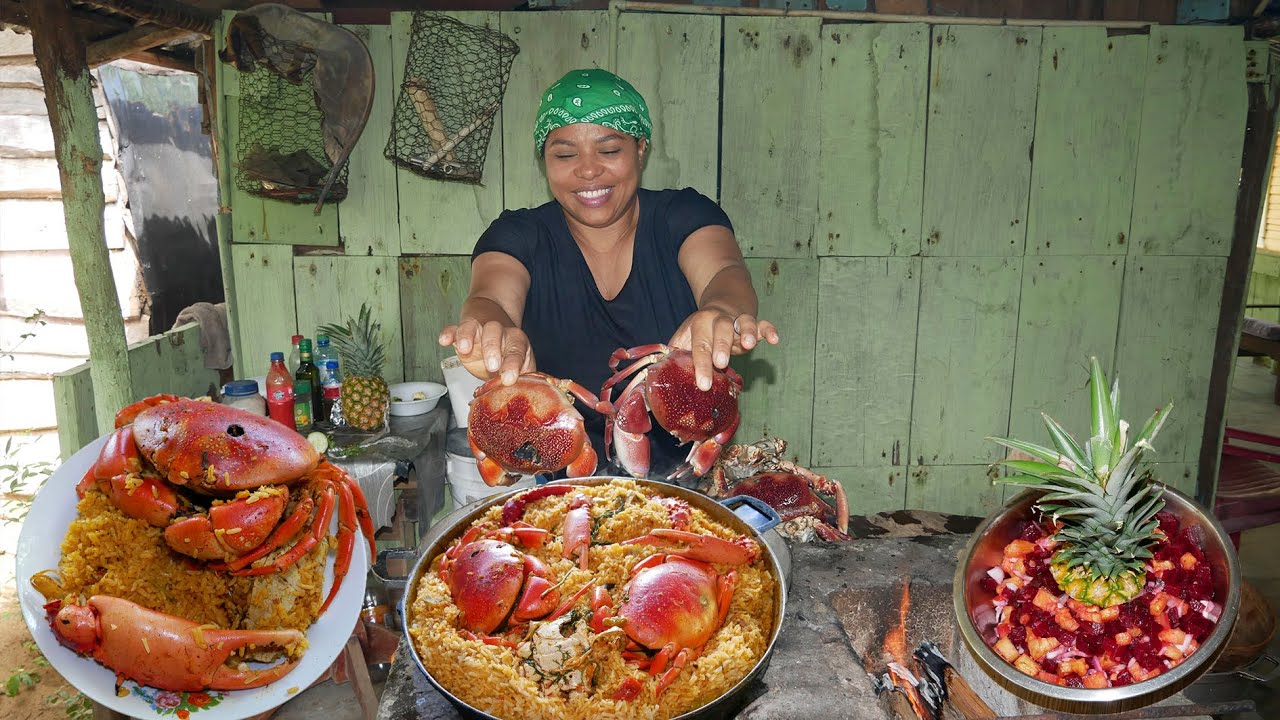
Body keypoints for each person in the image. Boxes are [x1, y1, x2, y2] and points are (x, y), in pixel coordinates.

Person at [438, 68, 779, 478]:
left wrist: (721, 309)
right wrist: (491, 330)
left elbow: (725, 271)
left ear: (641, 148)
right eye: (565, 155)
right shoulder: (519, 234)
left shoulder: (683, 214)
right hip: (559, 477)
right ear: (544, 160)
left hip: (691, 473)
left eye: (609, 150)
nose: (587, 171)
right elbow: (490, 296)